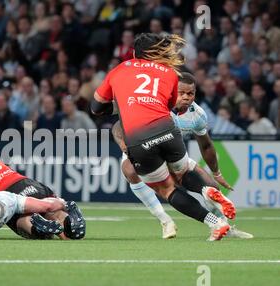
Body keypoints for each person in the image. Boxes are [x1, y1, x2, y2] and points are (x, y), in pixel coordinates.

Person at [91, 33, 235, 241]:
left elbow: (95, 108)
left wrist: (121, 103)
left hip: (140, 138)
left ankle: (215, 223)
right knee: (184, 172)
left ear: (134, 53)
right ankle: (205, 191)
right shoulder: (169, 73)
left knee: (167, 189)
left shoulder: (120, 69)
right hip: (167, 130)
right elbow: (166, 107)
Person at [111, 73, 253, 240]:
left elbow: (206, 145)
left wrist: (217, 174)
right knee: (130, 170)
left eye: (190, 93)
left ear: (195, 94)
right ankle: (165, 220)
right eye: (181, 93)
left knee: (210, 185)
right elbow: (117, 127)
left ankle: (222, 224)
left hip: (170, 153)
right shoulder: (154, 104)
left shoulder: (197, 114)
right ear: (171, 91)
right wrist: (122, 144)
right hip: (141, 149)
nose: (186, 97)